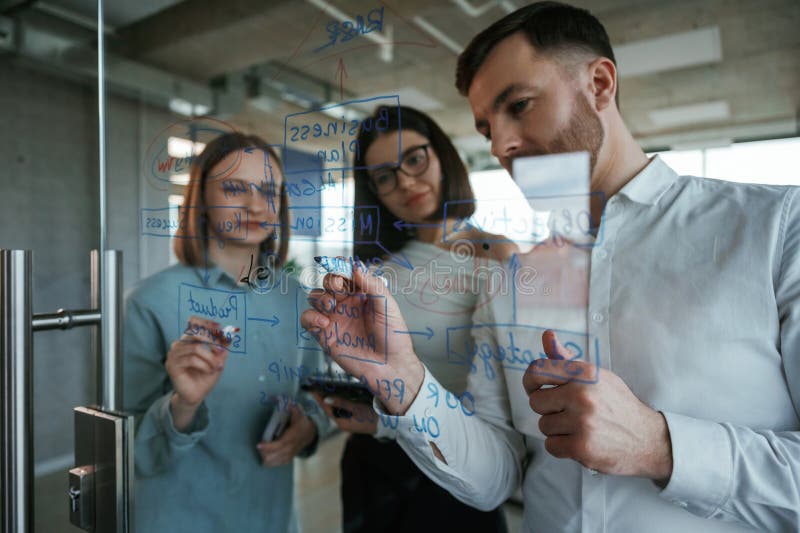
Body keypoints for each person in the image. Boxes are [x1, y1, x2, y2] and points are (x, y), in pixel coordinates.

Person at [301, 2, 800, 532]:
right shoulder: (511, 284)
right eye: (487, 127)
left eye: (519, 105)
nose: (499, 145)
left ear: (601, 84)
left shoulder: (776, 229)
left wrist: (662, 447)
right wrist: (404, 381)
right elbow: (496, 474)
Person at [311, 105, 512, 532]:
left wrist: (383, 424)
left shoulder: (497, 255)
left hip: (460, 470)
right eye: (385, 176)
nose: (405, 181)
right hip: (376, 470)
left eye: (415, 159)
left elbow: (502, 403)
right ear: (375, 191)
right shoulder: (376, 273)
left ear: (441, 155)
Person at [124, 132, 329, 533]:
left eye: (268, 191)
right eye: (235, 188)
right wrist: (182, 404)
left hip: (272, 517)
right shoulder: (150, 303)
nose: (255, 205)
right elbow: (126, 451)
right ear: (201, 200)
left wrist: (309, 425)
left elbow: (313, 394)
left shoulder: (296, 299)